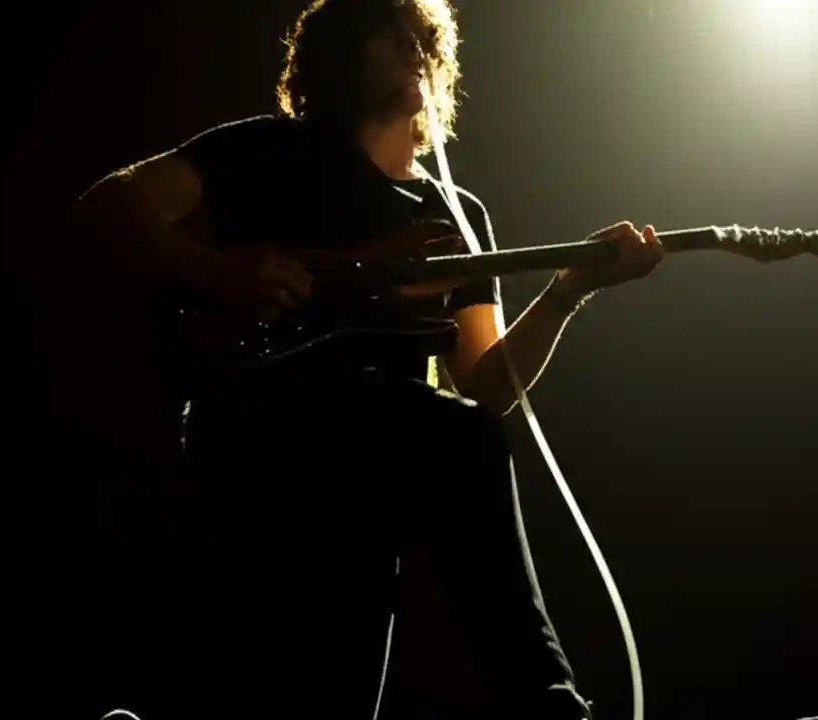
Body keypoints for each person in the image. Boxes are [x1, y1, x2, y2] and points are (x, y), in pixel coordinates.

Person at [66, 0, 664, 717]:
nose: (412, 47)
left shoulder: (455, 215)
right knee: (462, 438)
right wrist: (215, 271)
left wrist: (568, 291)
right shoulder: (267, 151)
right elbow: (109, 206)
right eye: (388, 32)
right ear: (340, 54)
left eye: (421, 37)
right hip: (262, 441)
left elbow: (483, 382)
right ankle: (546, 703)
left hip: (377, 482)